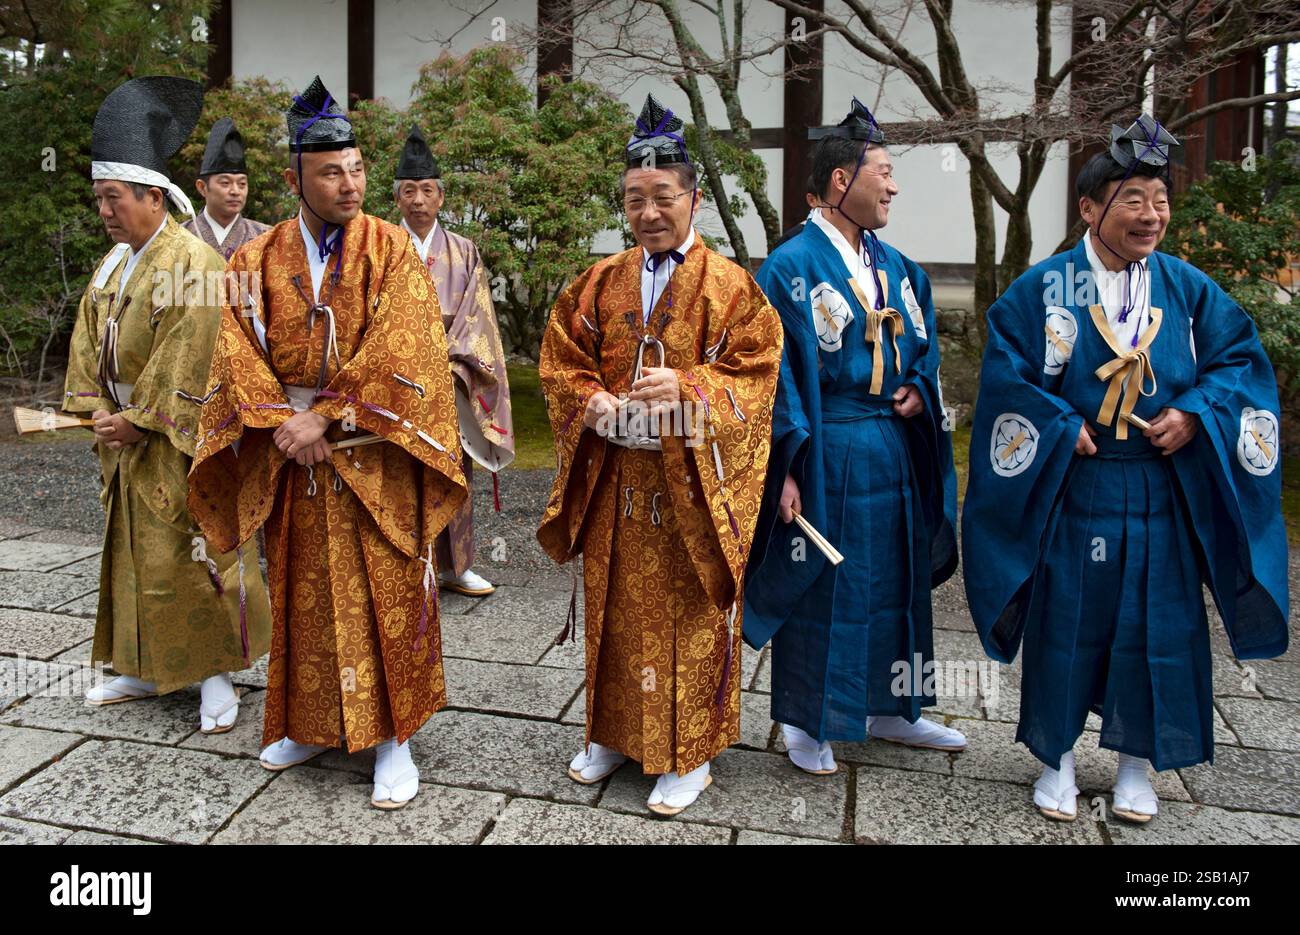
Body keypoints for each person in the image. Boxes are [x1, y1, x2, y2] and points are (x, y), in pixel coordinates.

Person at [962, 115, 1289, 823]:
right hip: (1074, 482)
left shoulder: (1187, 289)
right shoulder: (1043, 289)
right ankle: (1056, 759)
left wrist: (1196, 411)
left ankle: (1137, 764)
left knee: (1158, 621)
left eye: (1160, 200)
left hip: (1160, 483)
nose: (1152, 215)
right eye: (1133, 199)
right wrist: (1059, 425)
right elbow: (1007, 380)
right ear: (1089, 208)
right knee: (1066, 619)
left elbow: (1239, 361)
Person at [187, 77, 467, 809]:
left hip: (372, 455)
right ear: (294, 181)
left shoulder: (393, 251)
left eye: (357, 169)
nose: (350, 185)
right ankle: (309, 724)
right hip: (289, 453)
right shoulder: (254, 260)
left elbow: (409, 345)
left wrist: (330, 414)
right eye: (331, 173)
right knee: (302, 591)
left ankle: (393, 739)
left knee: (385, 594)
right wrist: (283, 418)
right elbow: (234, 348)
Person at [537, 94, 782, 815]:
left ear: (693, 199)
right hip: (615, 474)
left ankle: (689, 753)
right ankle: (613, 733)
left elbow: (758, 374)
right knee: (615, 607)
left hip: (689, 487)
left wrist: (691, 387)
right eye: (635, 199)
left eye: (663, 197)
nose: (648, 213)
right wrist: (591, 403)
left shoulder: (732, 287)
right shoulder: (600, 281)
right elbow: (560, 358)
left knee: (685, 614)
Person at [743, 98, 963, 777]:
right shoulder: (790, 267)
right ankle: (809, 720)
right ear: (842, 181)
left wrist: (918, 387)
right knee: (825, 582)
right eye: (884, 172)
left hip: (891, 442)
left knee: (896, 577)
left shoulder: (896, 266)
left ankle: (894, 706)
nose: (893, 187)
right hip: (827, 445)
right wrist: (784, 466)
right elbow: (771, 375)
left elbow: (924, 346)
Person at [64, 76, 271, 733]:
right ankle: (141, 662)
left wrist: (139, 417)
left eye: (114, 197)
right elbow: (87, 340)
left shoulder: (195, 262)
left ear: (153, 197)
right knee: (134, 553)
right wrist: (97, 409)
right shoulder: (114, 263)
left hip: (184, 432)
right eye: (100, 198)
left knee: (192, 550)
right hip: (122, 432)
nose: (105, 211)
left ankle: (215, 675)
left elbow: (195, 347)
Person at [393, 124, 514, 597]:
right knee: (399, 471)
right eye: (409, 191)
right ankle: (405, 564)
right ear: (397, 198)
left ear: (441, 197)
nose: (418, 200)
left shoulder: (463, 251)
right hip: (397, 378)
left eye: (427, 190)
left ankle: (456, 566)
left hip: (451, 377)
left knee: (453, 468)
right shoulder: (382, 245)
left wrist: (450, 365)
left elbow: (477, 317)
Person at [182, 117, 270, 260]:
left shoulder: (266, 237)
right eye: (225, 183)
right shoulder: (180, 237)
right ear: (202, 187)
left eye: (242, 184)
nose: (235, 191)